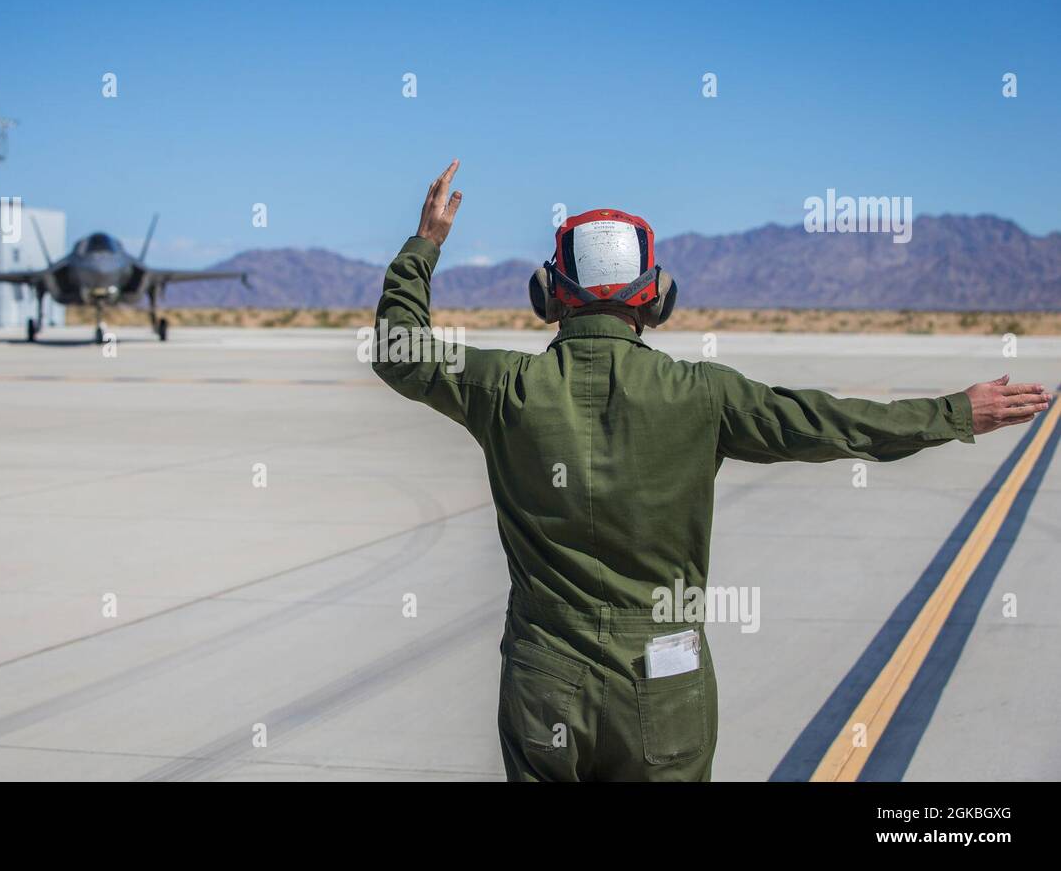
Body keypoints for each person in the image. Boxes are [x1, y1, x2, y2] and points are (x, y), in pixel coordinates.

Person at [371, 159, 1054, 782]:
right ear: (654, 297)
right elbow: (836, 424)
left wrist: (423, 246)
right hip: (664, 679)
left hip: (546, 676)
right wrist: (951, 412)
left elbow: (399, 351)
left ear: (550, 294)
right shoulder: (703, 395)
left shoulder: (503, 387)